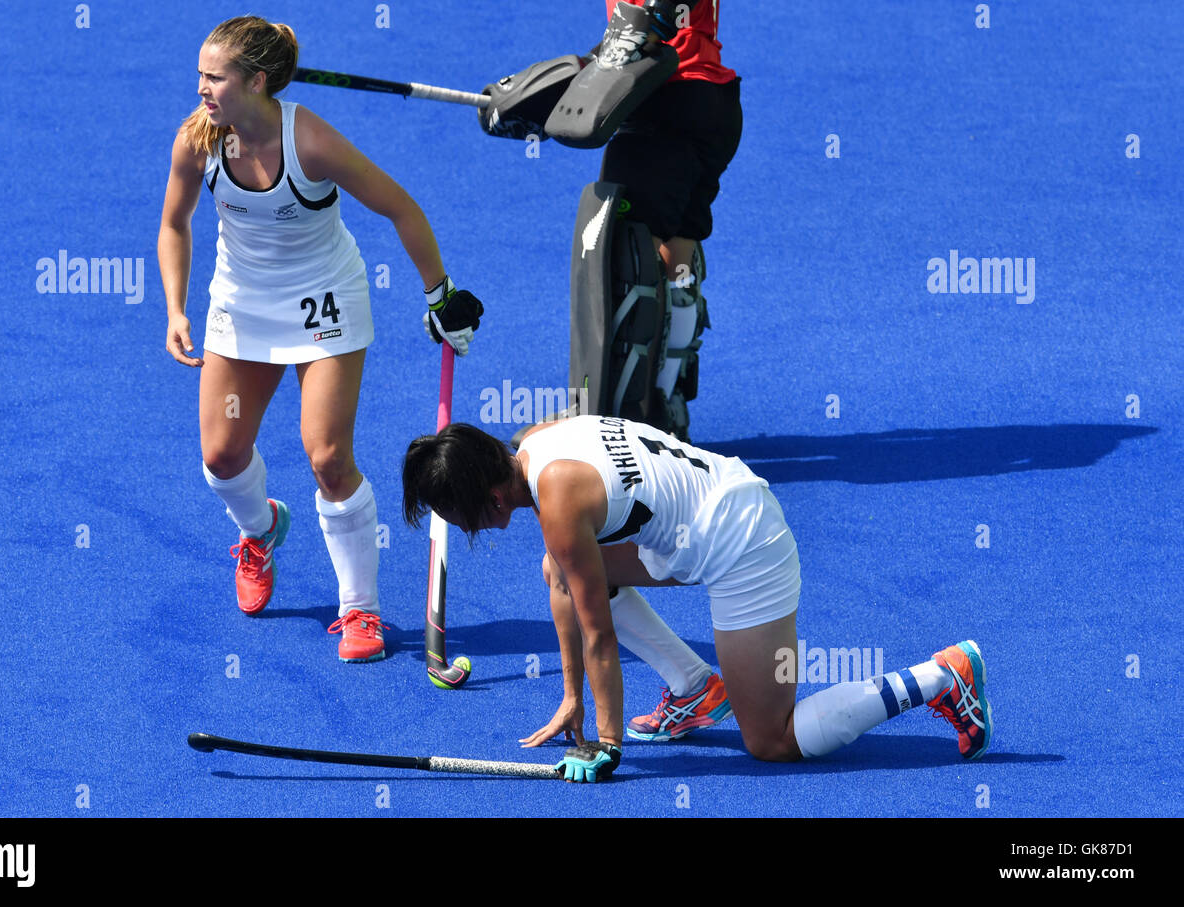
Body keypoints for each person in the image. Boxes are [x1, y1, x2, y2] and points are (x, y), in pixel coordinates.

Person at [402, 417, 992, 781]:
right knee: (558, 566)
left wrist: (608, 743)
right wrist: (570, 696)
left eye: (460, 516)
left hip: (745, 547)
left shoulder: (557, 504)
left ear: (491, 498)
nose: (468, 528)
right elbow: (565, 581)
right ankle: (695, 687)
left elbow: (598, 632)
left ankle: (943, 677)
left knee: (772, 741)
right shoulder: (537, 442)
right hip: (714, 506)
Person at [158, 16, 483, 663]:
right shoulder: (198, 141)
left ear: (255, 81)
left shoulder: (309, 141)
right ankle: (262, 529)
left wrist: (439, 293)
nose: (201, 88)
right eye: (200, 74)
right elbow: (174, 224)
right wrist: (174, 307)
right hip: (243, 309)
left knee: (328, 455)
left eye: (214, 77)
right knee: (222, 456)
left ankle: (360, 606)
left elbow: (400, 206)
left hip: (323, 303)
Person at [595, 0, 742, 442]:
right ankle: (666, 399)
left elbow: (639, 32)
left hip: (661, 98)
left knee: (631, 254)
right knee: (678, 249)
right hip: (711, 103)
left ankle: (629, 414)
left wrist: (653, 18)